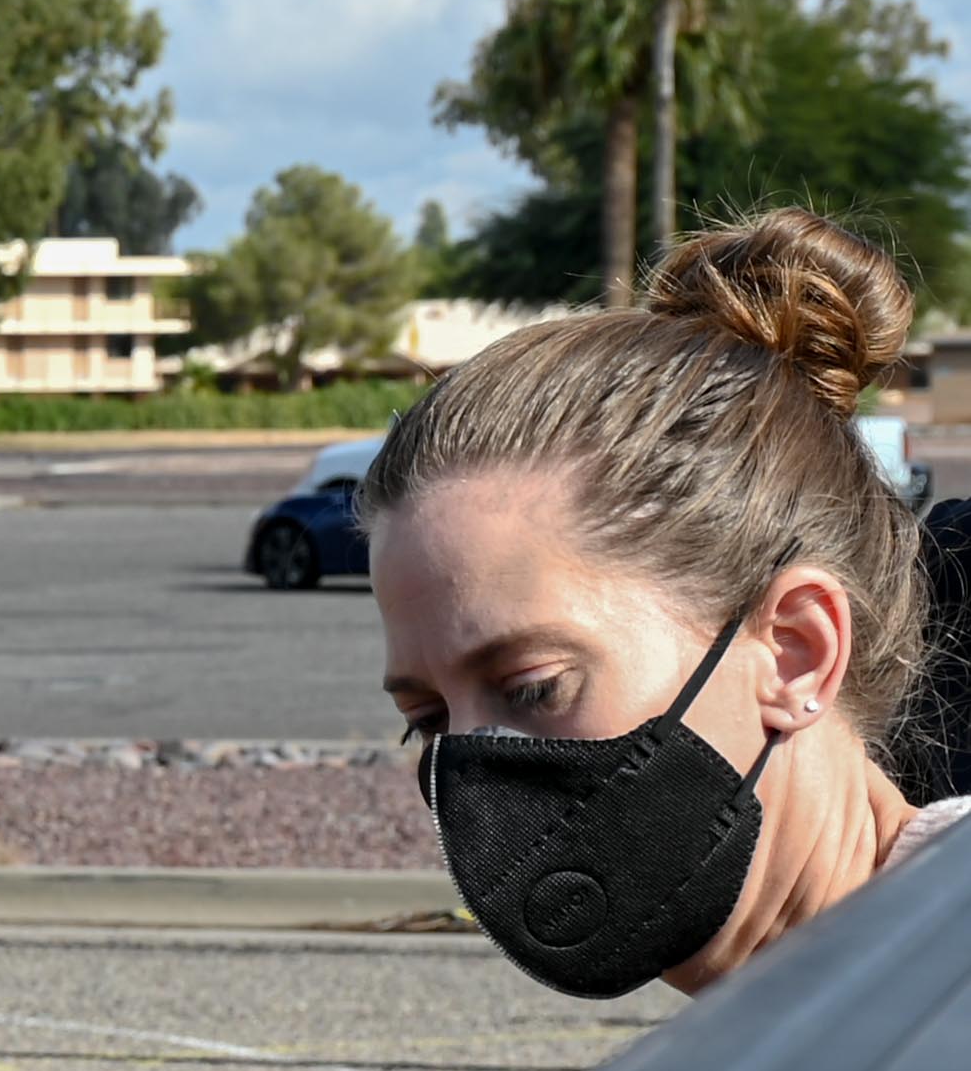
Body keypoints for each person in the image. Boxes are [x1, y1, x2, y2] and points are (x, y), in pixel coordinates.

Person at [369, 209, 953, 1000]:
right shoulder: (824, 1022)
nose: (475, 768)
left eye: (535, 686)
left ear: (794, 651)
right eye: (429, 720)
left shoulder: (935, 995)